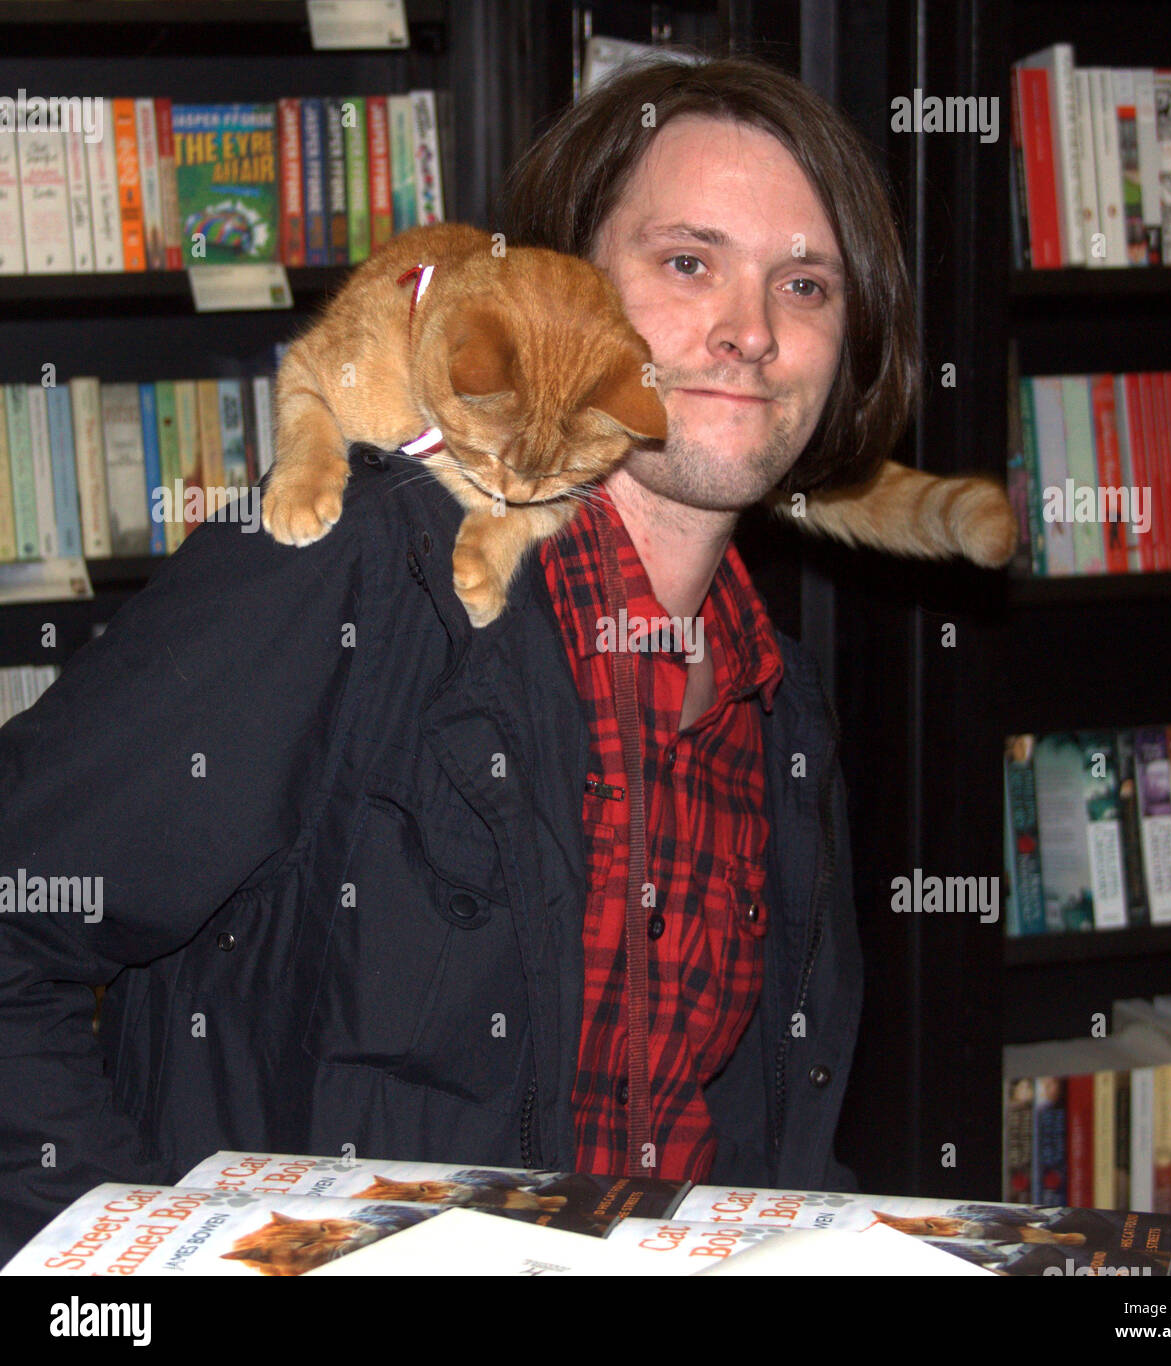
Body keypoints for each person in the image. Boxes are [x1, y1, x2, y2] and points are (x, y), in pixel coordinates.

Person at [0, 53, 917, 1260]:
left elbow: (763, 1149)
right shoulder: (353, 568)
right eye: (687, 263)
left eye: (804, 285)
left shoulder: (777, 707)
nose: (747, 332)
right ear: (563, 287)